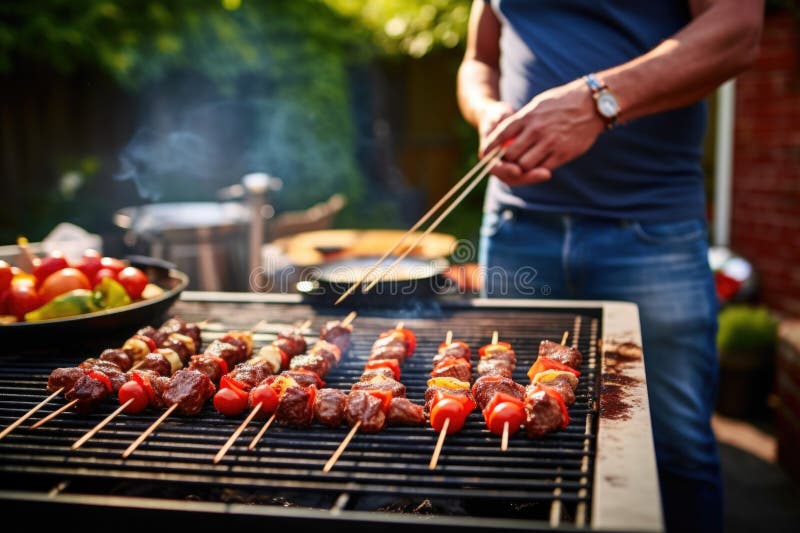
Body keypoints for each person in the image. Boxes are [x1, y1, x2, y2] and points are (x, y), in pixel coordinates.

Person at [456, 1, 763, 532]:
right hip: (516, 228)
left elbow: (737, 29)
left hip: (650, 231)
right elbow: (478, 59)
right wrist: (485, 108)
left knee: (673, 451)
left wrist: (597, 99)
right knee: (513, 445)